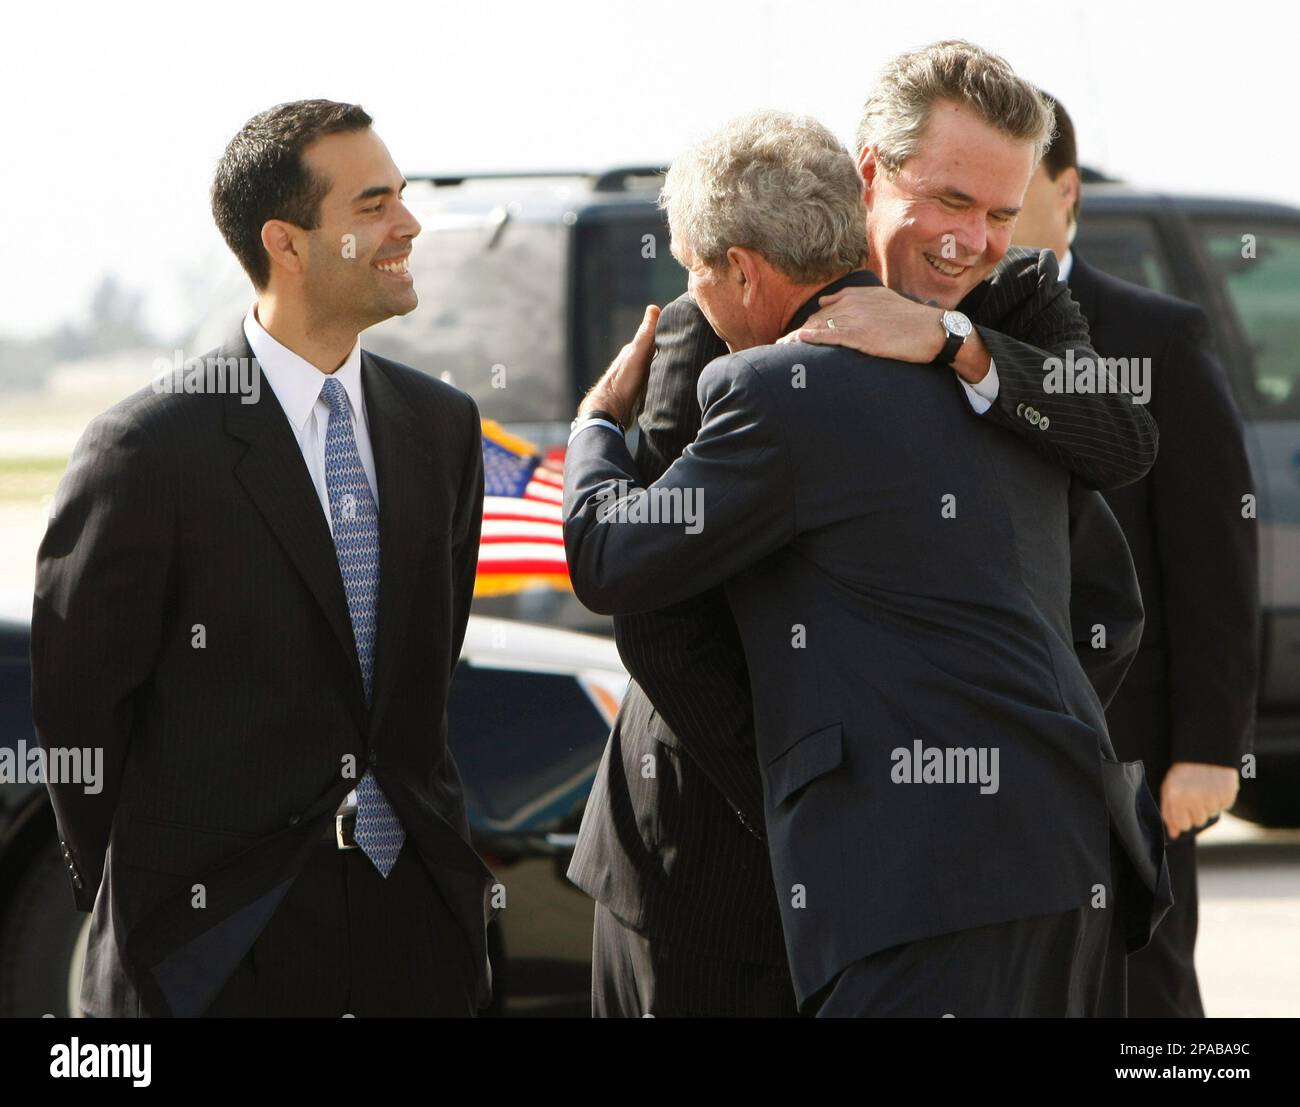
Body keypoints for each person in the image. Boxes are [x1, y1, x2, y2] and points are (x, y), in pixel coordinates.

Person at [569, 39, 1159, 1018]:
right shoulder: (717, 319)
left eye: (1002, 215)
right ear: (869, 172)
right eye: (950, 201)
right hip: (712, 861)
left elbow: (1116, 489)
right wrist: (819, 791)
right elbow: (660, 610)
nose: (972, 241)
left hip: (930, 868)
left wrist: (954, 344)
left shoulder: (1008, 312)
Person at [31, 99, 495, 1017]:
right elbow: (80, 717)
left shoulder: (441, 427)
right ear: (285, 242)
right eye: (372, 205)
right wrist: (153, 909)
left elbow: (416, 676)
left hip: (415, 938)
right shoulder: (147, 450)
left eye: (401, 196)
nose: (407, 225)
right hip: (213, 953)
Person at [1011, 92, 1258, 1017]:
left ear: (1065, 191)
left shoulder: (1156, 336)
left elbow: (1214, 556)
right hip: (996, 738)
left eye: (1010, 186)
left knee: (1143, 987)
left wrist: (1207, 748)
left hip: (1137, 747)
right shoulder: (935, 331)